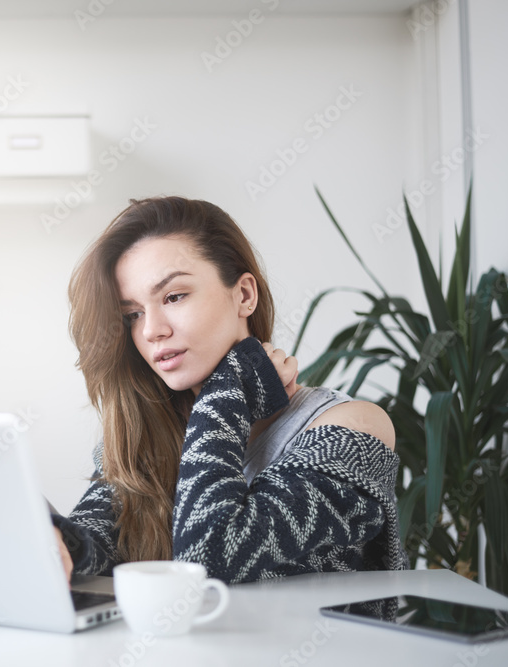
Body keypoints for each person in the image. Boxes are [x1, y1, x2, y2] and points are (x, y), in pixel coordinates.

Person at [50, 196, 406, 585]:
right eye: (133, 314)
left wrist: (228, 388)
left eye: (174, 296)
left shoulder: (353, 427)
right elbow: (92, 551)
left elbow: (210, 559)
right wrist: (53, 541)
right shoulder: (142, 435)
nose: (151, 330)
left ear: (244, 295)